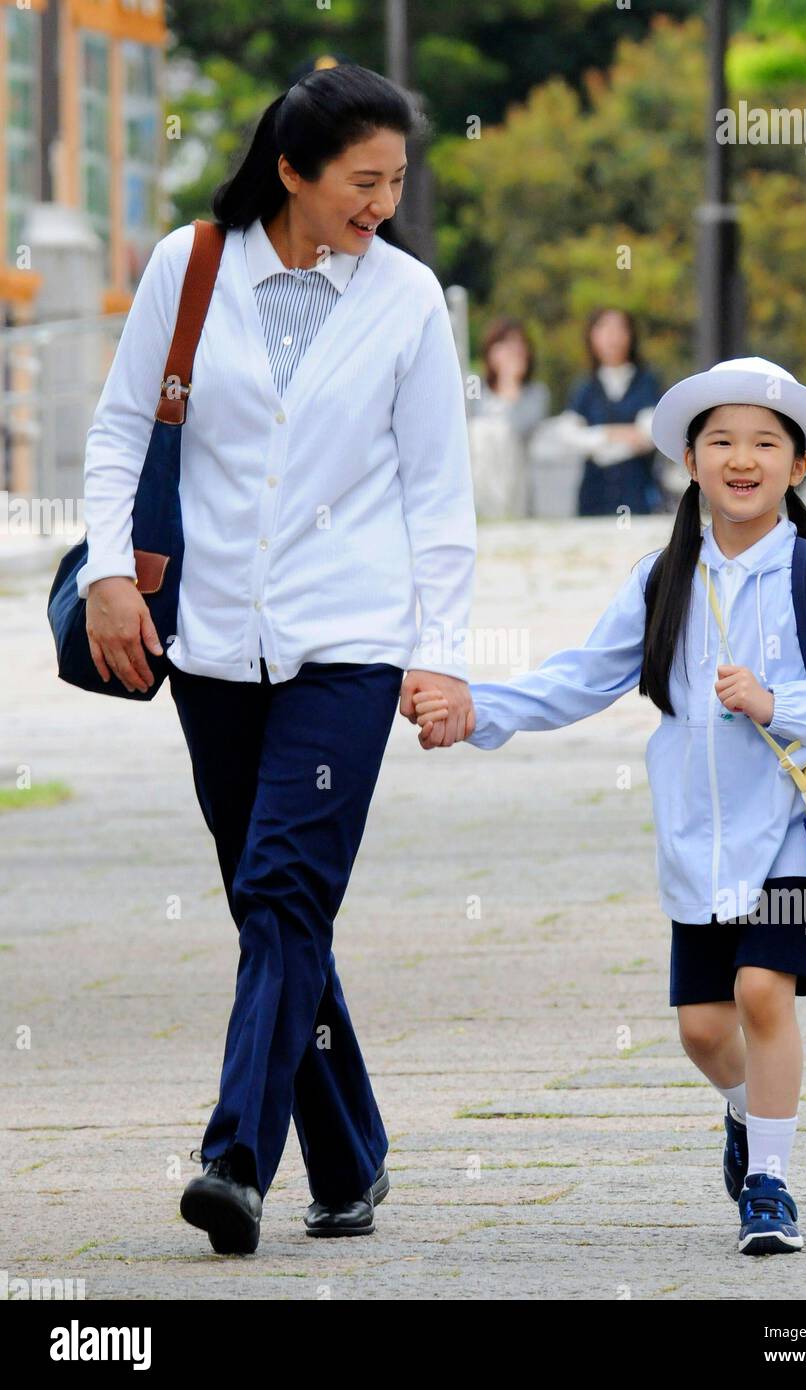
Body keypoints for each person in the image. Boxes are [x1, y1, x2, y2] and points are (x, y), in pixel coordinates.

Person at [77, 64, 477, 1252]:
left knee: (284, 892)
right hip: (209, 644)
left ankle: (234, 1158)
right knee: (273, 908)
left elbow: (438, 491)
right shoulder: (189, 265)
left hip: (348, 644)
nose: (383, 202)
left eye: (398, 180)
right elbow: (116, 427)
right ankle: (350, 1156)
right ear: (293, 171)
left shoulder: (408, 296)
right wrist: (107, 568)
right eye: (363, 181)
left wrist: (442, 655)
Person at [412, 357, 806, 1257]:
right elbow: (581, 678)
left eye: (763, 444)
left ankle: (770, 1186)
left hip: (792, 832)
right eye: (720, 442)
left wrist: (775, 701)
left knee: (761, 993)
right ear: (687, 458)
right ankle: (748, 1119)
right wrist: (478, 707)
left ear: (796, 466)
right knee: (705, 1032)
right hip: (697, 846)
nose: (740, 458)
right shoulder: (660, 579)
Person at [564, 307, 663, 517]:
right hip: (594, 495)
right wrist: (616, 434)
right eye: (604, 329)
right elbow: (570, 437)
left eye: (619, 329)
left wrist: (597, 442)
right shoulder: (585, 387)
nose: (612, 337)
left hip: (637, 492)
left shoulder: (646, 382)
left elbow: (648, 434)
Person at [468, 317, 550, 518]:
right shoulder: (473, 385)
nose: (513, 352)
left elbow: (519, 428)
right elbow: (468, 425)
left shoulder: (536, 393)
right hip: (476, 482)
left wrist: (510, 383)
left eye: (519, 344)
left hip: (517, 485)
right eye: (505, 344)